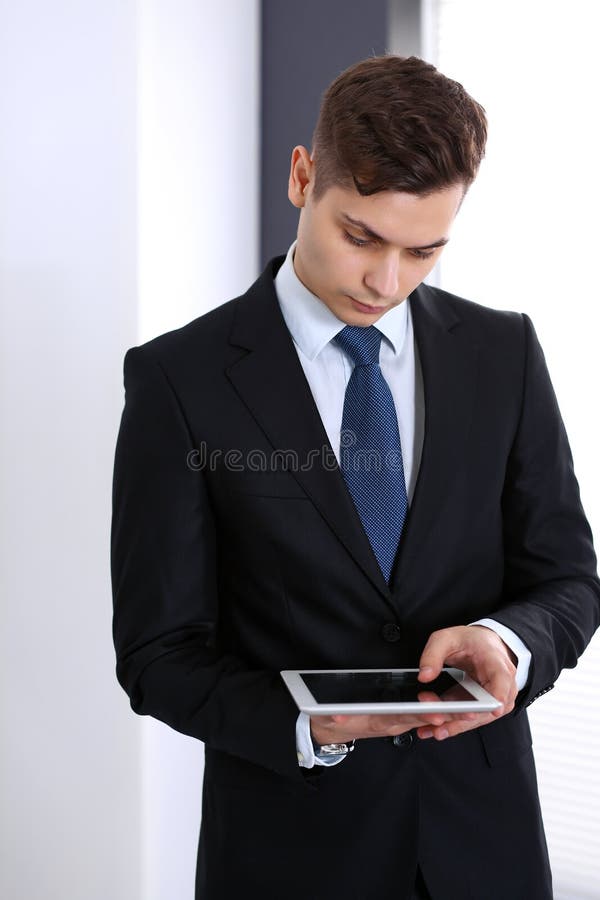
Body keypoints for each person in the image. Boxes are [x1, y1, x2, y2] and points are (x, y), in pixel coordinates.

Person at [111, 55, 600, 900]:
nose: (387, 281)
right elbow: (159, 655)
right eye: (361, 237)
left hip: (485, 848)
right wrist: (308, 723)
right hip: (286, 856)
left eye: (425, 251)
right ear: (304, 177)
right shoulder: (179, 380)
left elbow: (567, 579)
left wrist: (508, 644)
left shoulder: (504, 355)